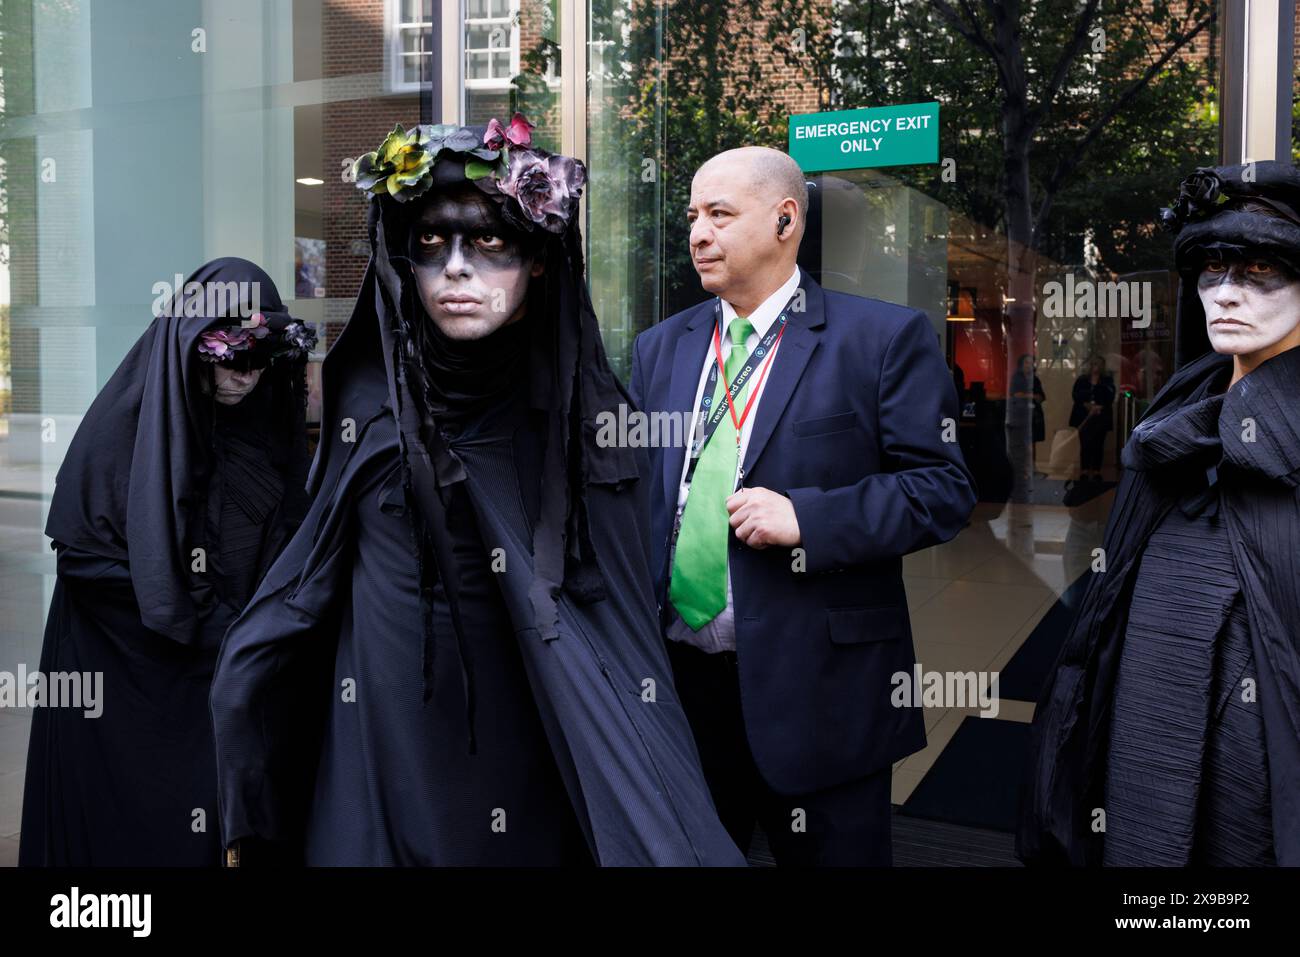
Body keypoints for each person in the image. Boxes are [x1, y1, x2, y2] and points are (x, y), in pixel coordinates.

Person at [208, 116, 744, 866]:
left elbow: (617, 629)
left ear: (538, 264)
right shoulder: (371, 410)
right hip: (384, 741)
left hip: (527, 741)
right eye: (429, 244)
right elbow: (310, 578)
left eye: (488, 242)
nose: (455, 268)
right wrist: (245, 699)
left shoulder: (582, 427)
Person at [628, 146, 977, 865]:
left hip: (821, 695)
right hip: (682, 690)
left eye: (720, 214)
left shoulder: (881, 340)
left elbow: (943, 491)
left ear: (785, 219)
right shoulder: (661, 348)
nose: (697, 233)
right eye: (692, 215)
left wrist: (809, 519)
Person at [1018, 161, 1300, 866]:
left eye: (1262, 268)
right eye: (1212, 269)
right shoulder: (1172, 423)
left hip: (1257, 760)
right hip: (1149, 714)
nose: (1228, 293)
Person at [20, 258, 313, 866]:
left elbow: (287, 524)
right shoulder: (125, 426)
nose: (246, 378)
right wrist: (198, 619)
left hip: (228, 672)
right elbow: (86, 559)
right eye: (231, 357)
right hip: (130, 673)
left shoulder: (261, 420)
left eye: (260, 360)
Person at [1069, 355, 1116, 482]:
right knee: (1085, 444)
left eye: (1098, 364)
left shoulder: (1107, 380)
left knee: (1098, 444)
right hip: (1084, 416)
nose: (1095, 366)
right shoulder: (1082, 380)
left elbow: (1110, 396)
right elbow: (1076, 395)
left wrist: (1100, 406)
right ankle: (1084, 471)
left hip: (1100, 417)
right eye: (1093, 363)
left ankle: (1096, 471)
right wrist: (1086, 405)